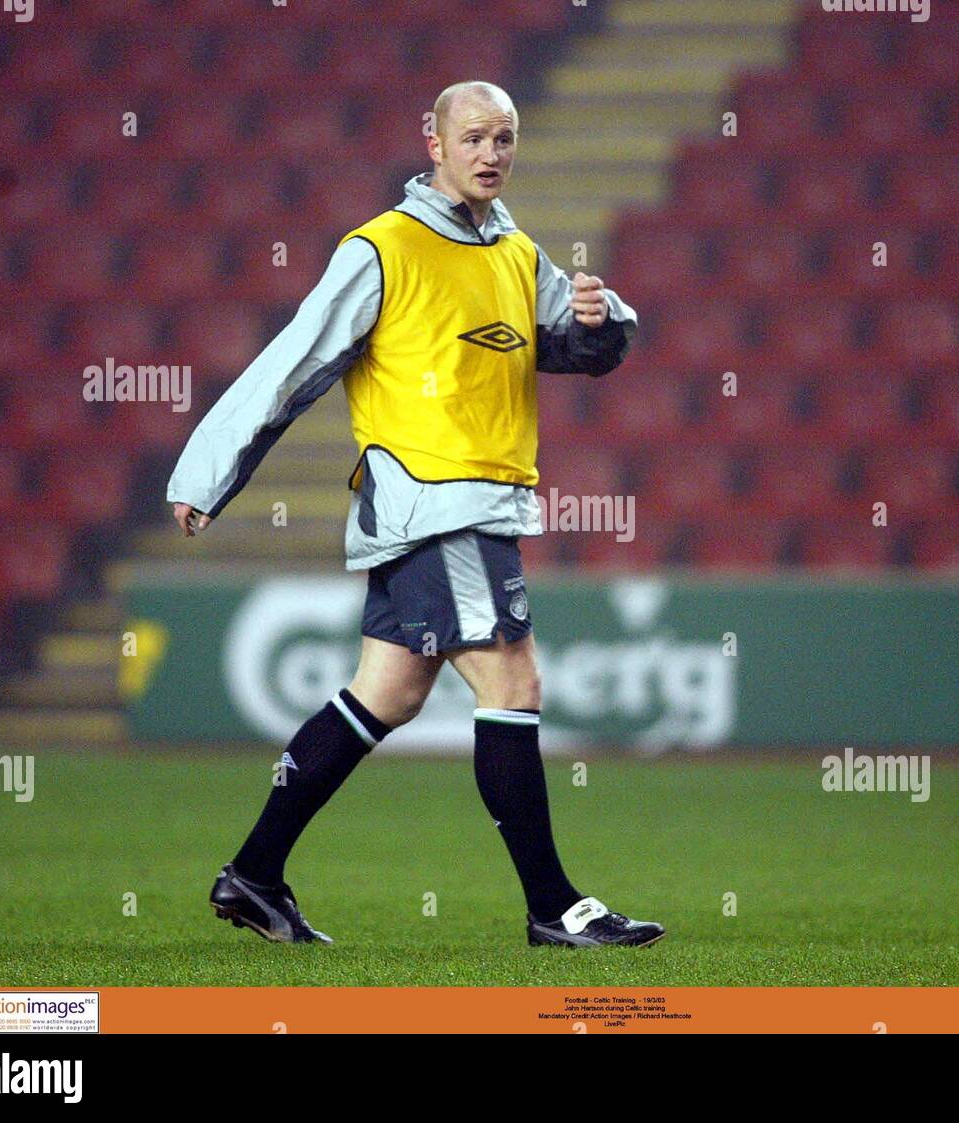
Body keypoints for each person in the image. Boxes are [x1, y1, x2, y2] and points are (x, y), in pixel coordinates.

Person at [166, 80, 664, 948]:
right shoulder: (382, 250)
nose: (490, 153)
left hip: (474, 502)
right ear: (431, 142)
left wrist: (600, 319)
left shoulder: (514, 250)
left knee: (386, 693)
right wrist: (209, 472)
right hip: (439, 503)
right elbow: (295, 361)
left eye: (504, 138)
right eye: (473, 136)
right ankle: (555, 906)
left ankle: (252, 874)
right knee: (514, 682)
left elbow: (579, 344)